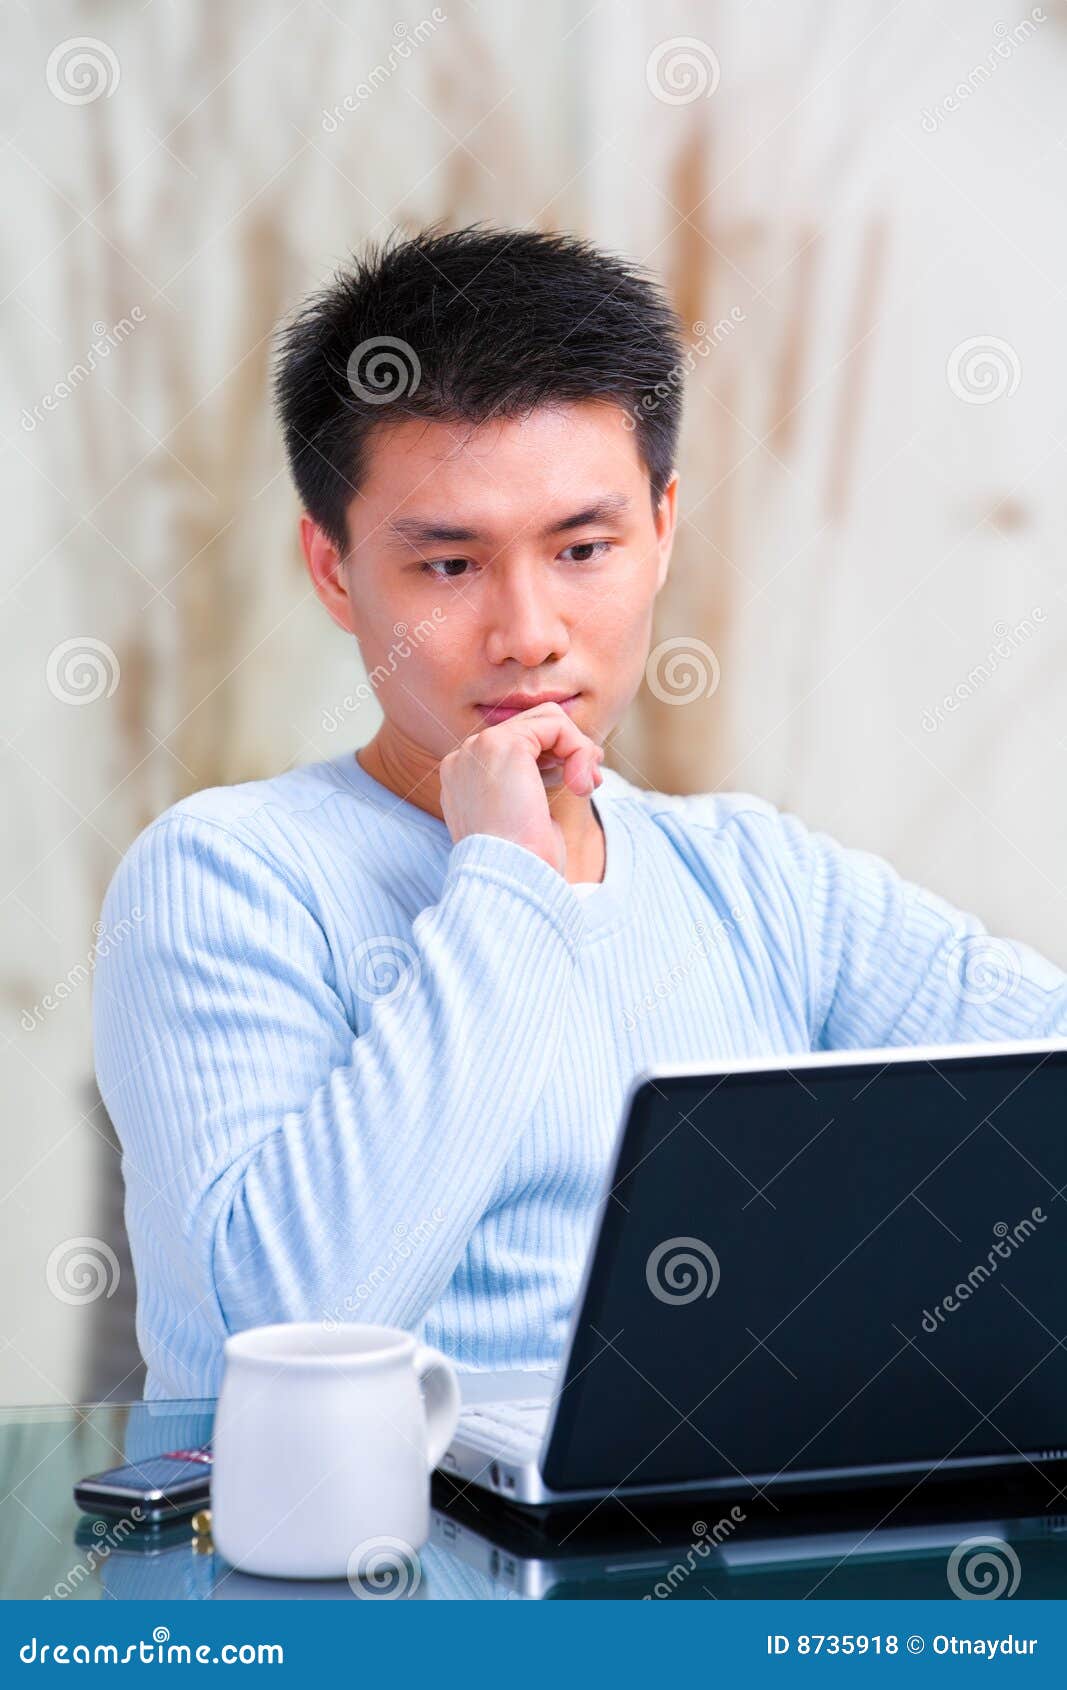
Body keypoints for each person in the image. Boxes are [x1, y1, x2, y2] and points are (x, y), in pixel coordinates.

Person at [93, 225, 1067, 1402]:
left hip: (717, 1504)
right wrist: (504, 883)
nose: (528, 632)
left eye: (582, 548)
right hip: (366, 1516)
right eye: (449, 566)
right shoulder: (226, 874)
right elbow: (294, 1332)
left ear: (661, 529)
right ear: (334, 569)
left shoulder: (757, 877)